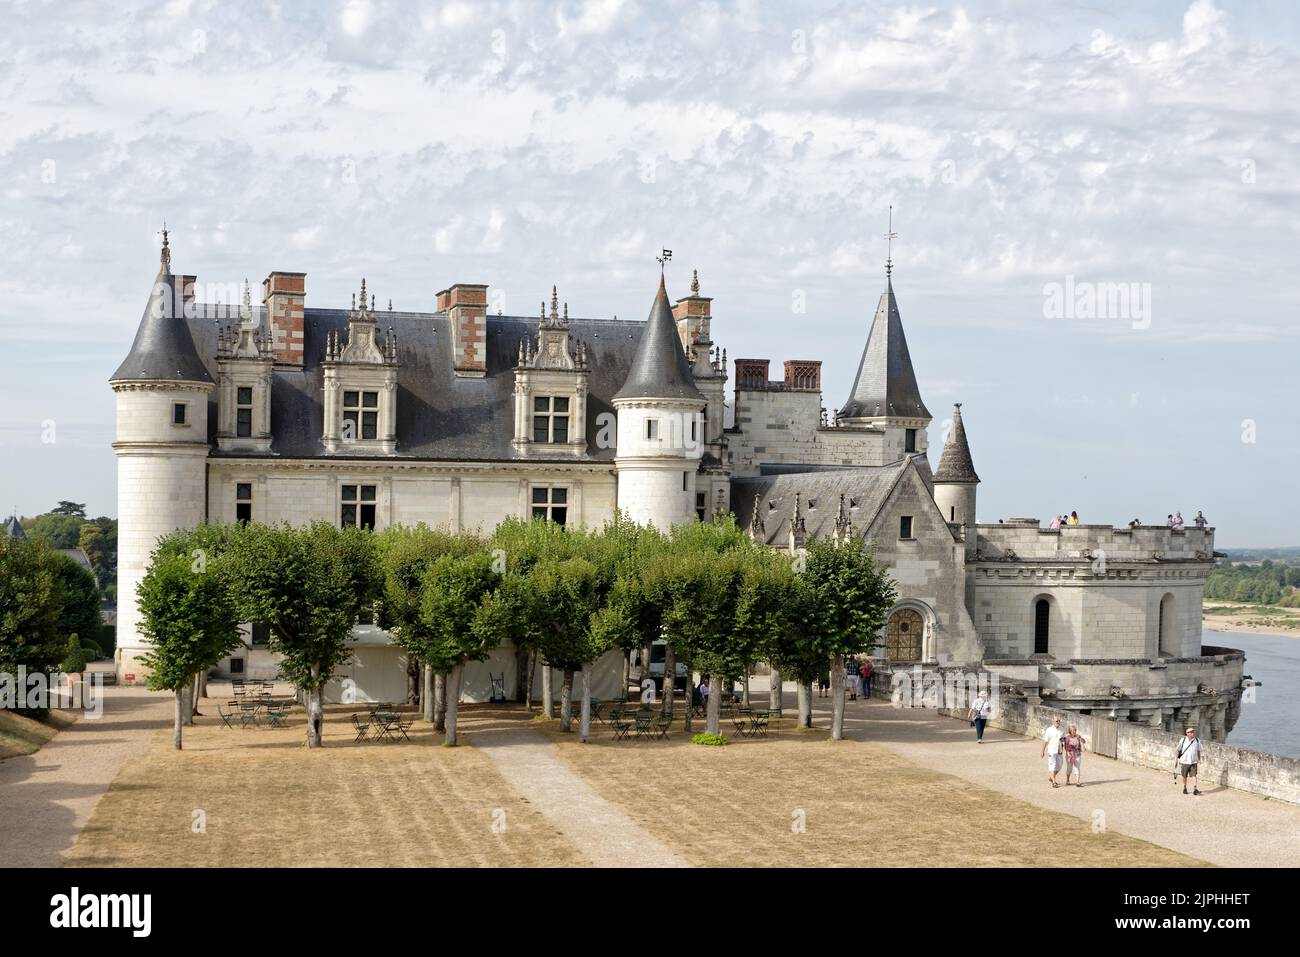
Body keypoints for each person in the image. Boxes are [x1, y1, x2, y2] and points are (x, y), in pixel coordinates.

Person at [1176, 727, 1202, 795]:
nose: (1193, 733)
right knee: (1184, 776)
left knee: (1194, 775)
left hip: (1193, 761)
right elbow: (1178, 750)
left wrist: (1199, 759)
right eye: (1191, 732)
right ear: (1187, 733)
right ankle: (1184, 787)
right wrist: (1177, 759)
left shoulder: (1197, 740)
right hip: (1185, 761)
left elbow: (1198, 750)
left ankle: (1195, 789)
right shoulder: (1183, 740)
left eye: (1193, 732)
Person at [1041, 716, 1065, 787]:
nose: (1058, 722)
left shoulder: (1062, 729)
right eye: (1056, 721)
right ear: (1053, 722)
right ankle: (1054, 782)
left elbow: (1063, 740)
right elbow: (1045, 740)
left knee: (1060, 766)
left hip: (1059, 750)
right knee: (1053, 765)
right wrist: (1042, 751)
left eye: (1058, 721)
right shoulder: (1049, 730)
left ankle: (1052, 777)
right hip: (1051, 750)